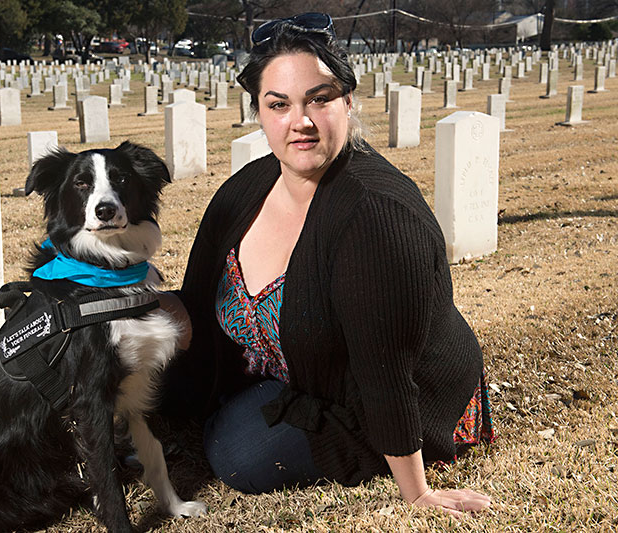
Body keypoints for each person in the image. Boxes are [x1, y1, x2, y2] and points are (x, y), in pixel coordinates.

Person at [158, 12, 494, 517]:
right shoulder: (246, 188)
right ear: (259, 112)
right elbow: (199, 301)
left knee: (240, 453)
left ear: (348, 101)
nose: (302, 121)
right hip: (287, 374)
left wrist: (418, 494)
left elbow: (385, 370)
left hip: (383, 397)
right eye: (280, 104)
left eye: (320, 98)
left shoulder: (374, 215)